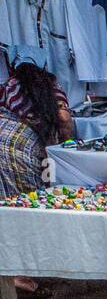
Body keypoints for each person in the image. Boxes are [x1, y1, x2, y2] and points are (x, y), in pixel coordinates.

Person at [0, 46, 73, 199]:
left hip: (4, 144)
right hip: (32, 147)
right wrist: (67, 147)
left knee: (10, 200)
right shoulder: (51, 85)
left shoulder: (8, 87)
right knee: (41, 196)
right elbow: (64, 117)